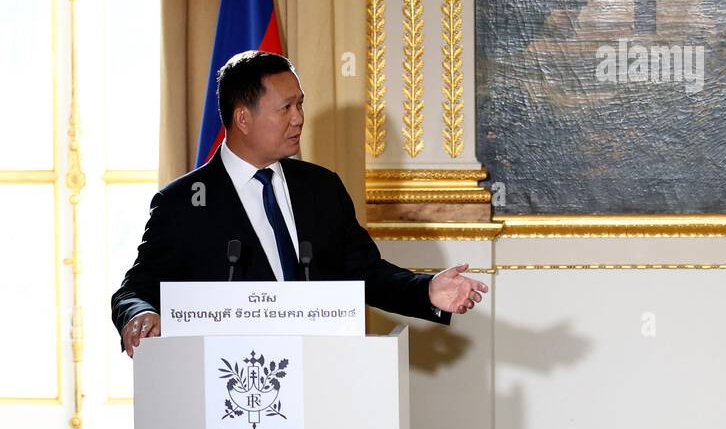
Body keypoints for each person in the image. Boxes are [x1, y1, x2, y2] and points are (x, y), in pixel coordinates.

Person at [111, 50, 487, 355]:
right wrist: (138, 314)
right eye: (286, 108)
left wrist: (426, 291)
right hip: (232, 392)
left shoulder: (321, 188)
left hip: (322, 378)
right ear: (243, 117)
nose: (299, 119)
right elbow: (135, 288)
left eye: (301, 105)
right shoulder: (183, 202)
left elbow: (366, 274)